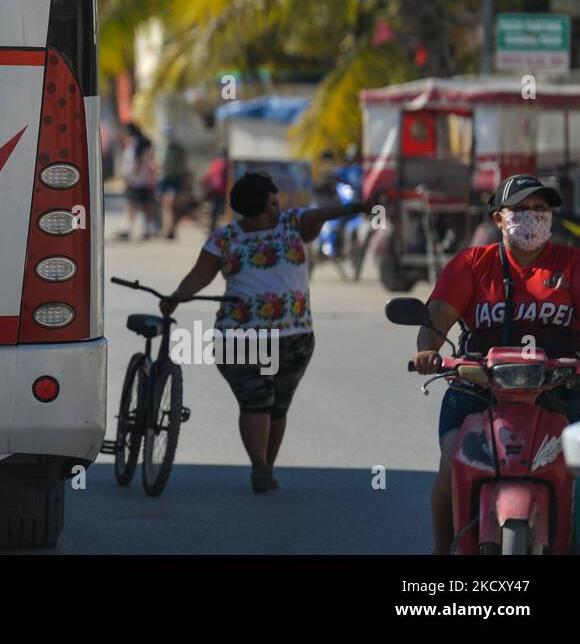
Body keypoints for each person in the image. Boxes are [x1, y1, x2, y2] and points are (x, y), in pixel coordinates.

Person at [162, 170, 374, 492]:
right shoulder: (228, 238)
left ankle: (265, 466)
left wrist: (354, 208)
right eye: (271, 203)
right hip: (249, 337)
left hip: (291, 338)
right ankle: (260, 465)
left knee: (274, 405)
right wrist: (175, 297)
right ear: (259, 208)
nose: (277, 208)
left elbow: (318, 215)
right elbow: (198, 277)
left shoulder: (287, 225)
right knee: (259, 402)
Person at [410, 174, 580, 555]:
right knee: (450, 466)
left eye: (540, 209)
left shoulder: (573, 263)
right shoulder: (472, 263)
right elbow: (436, 320)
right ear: (498, 218)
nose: (532, 217)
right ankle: (443, 550)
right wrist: (427, 351)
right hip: (476, 386)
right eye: (520, 209)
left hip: (563, 387)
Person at [115, 123, 157, 239]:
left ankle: (127, 229)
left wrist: (130, 178)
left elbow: (136, 164)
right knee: (146, 206)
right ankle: (148, 229)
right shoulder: (145, 145)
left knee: (130, 205)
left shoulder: (134, 145)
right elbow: (150, 164)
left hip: (135, 181)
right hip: (145, 181)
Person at [159, 126, 187, 239]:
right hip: (163, 179)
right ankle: (168, 228)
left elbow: (184, 163)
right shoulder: (160, 147)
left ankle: (171, 228)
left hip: (175, 178)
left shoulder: (178, 148)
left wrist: (184, 178)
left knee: (171, 204)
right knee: (166, 205)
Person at [202, 150, 228, 233]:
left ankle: (212, 228)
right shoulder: (226, 163)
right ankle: (215, 229)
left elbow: (207, 176)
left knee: (215, 211)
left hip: (214, 189)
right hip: (222, 190)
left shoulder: (216, 162)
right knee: (220, 210)